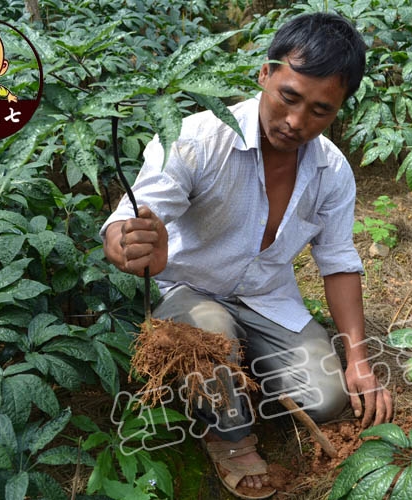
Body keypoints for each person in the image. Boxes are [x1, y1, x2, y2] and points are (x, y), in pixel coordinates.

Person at [102, 12, 392, 499]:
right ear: (265, 73)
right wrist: (128, 242)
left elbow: (339, 261)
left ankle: (232, 385)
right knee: (209, 340)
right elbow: (132, 220)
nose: (297, 122)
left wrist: (358, 359)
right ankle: (226, 433)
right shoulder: (197, 139)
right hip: (191, 292)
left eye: (320, 111)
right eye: (289, 97)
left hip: (265, 297)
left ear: (340, 109)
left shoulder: (332, 171)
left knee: (325, 399)